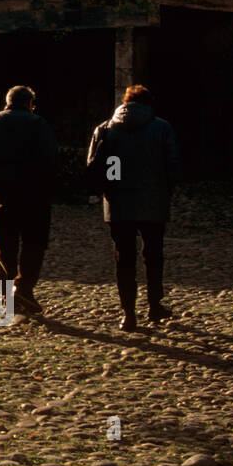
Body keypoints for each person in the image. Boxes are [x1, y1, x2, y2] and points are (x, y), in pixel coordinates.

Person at [87, 85, 182, 332]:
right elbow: (173, 165)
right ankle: (154, 305)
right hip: (153, 200)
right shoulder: (162, 128)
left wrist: (110, 187)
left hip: (118, 203)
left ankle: (128, 313)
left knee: (124, 258)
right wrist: (164, 190)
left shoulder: (106, 129)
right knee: (153, 255)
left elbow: (94, 165)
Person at [0, 86, 59, 317]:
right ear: (30, 103)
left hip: (1, 195)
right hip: (34, 196)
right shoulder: (38, 124)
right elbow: (50, 159)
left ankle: (8, 294)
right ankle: (24, 287)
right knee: (34, 243)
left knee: (4, 245)